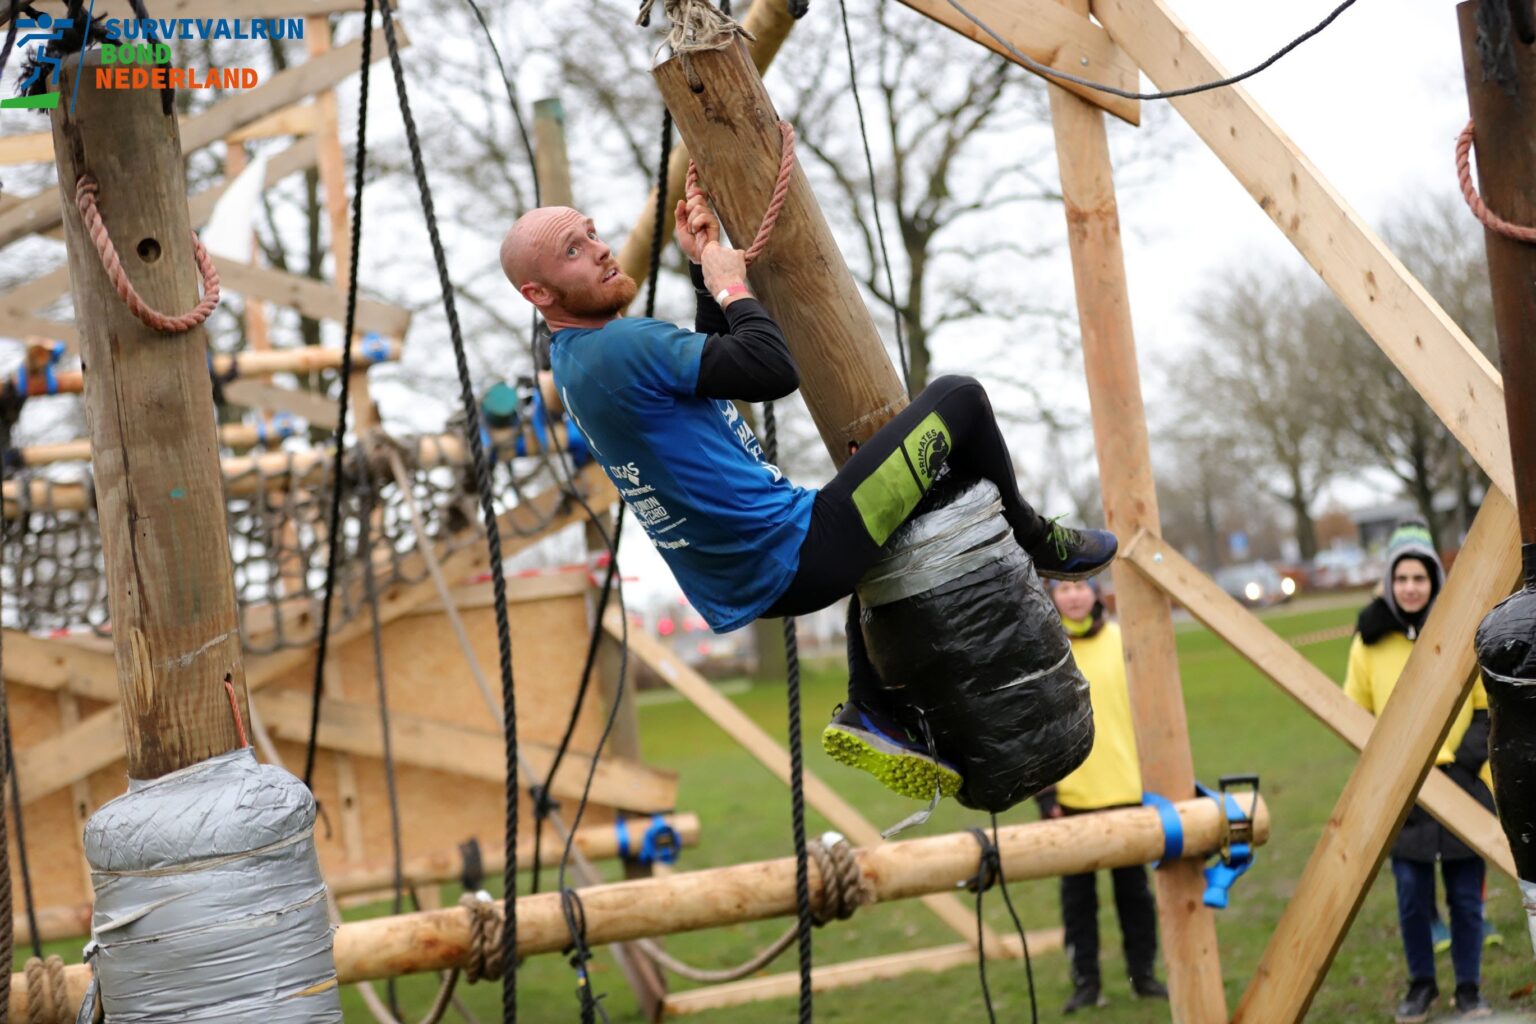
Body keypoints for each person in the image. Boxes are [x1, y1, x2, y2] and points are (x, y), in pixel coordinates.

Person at [499, 197, 1117, 801]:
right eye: (573, 250)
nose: (601, 249)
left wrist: (699, 263)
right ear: (539, 294)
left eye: (592, 233)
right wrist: (731, 287)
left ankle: (870, 704)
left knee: (890, 509)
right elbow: (769, 371)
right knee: (962, 399)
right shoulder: (618, 345)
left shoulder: (579, 361)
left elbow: (714, 377)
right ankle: (1038, 540)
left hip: (761, 571)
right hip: (795, 551)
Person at [1343, 521, 1495, 1023]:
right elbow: (1354, 713)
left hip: (1461, 782)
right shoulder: (1367, 641)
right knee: (1411, 898)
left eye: (1420, 578)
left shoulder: (1461, 630)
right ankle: (1422, 986)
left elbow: (1484, 709)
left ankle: (1469, 990)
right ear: (1390, 582)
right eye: (1402, 578)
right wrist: (1391, 770)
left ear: (1434, 581)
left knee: (1465, 900)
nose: (1411, 587)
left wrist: (1466, 764)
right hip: (1399, 793)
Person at [1035, 578, 1166, 1013]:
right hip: (1070, 798)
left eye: (1080, 586)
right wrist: (1044, 795)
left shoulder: (1122, 641)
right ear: (1051, 596)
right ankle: (1086, 984)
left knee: (1135, 895)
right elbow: (1034, 728)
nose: (1072, 595)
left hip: (1128, 790)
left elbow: (1149, 713)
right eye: (1063, 588)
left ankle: (1142, 976)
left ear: (1095, 593)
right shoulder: (1043, 648)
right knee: (1078, 903)